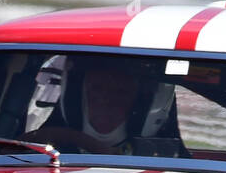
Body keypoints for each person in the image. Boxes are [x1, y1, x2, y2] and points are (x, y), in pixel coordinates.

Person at [24, 57, 178, 155]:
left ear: (144, 104)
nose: (105, 101)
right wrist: (79, 139)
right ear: (78, 96)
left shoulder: (168, 160)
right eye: (96, 89)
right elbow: (12, 148)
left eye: (121, 93)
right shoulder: (37, 148)